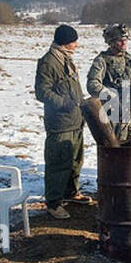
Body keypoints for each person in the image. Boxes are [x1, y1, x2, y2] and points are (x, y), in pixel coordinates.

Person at [34, 24, 89, 219]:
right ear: (65, 42)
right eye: (74, 41)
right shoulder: (49, 62)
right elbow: (42, 91)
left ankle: (71, 193)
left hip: (75, 121)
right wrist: (63, 103)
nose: (76, 45)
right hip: (60, 122)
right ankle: (54, 202)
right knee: (58, 163)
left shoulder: (67, 60)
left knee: (75, 161)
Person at [87, 23, 131, 142]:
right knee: (116, 149)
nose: (124, 43)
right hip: (113, 115)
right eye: (120, 41)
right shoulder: (102, 60)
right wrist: (109, 95)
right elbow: (92, 84)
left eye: (125, 40)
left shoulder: (130, 59)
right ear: (111, 42)